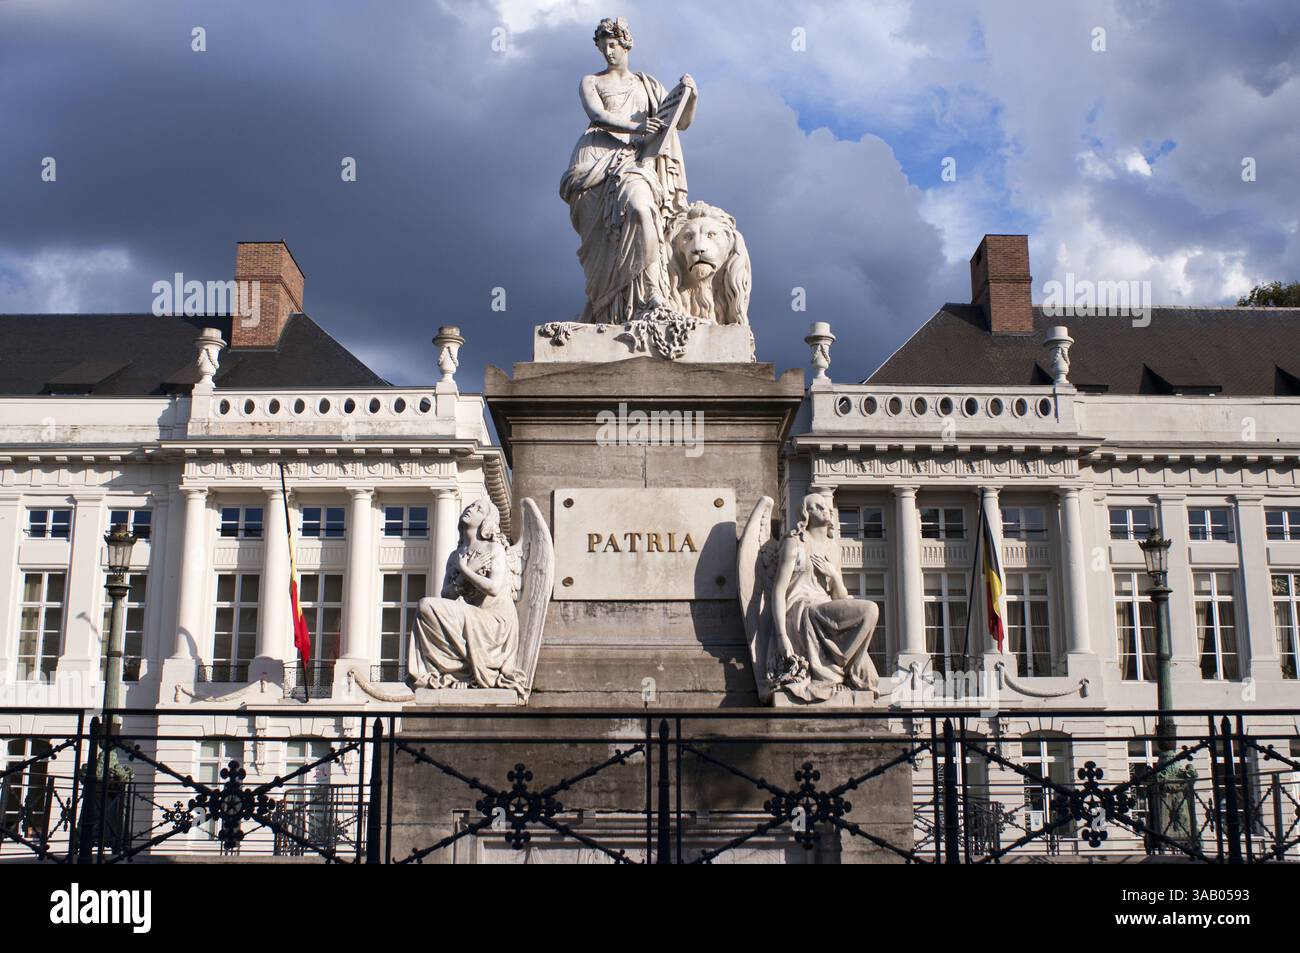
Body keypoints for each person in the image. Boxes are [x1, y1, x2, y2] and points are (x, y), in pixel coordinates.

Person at [559, 17, 697, 323]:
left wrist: (691, 96)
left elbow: (681, 124)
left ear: (626, 44)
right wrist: (637, 126)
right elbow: (597, 115)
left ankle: (653, 294)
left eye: (613, 45)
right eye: (603, 46)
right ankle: (606, 309)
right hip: (594, 160)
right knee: (603, 248)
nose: (608, 52)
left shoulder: (648, 85)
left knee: (641, 209)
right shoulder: (591, 81)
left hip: (635, 161)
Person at [769, 494, 880, 701]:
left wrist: (834, 575)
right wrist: (781, 635)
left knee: (870, 610)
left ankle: (844, 663)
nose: (826, 509)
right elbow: (778, 590)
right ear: (806, 513)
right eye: (817, 507)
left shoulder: (833, 548)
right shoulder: (795, 543)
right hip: (802, 608)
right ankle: (841, 667)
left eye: (827, 506)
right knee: (869, 609)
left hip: (826, 605)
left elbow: (840, 597)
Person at [408, 498, 525, 693]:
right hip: (472, 615)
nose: (471, 509)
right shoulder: (455, 555)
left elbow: (494, 588)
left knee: (429, 606)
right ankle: (458, 672)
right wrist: (465, 573)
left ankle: (464, 672)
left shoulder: (493, 549)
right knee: (425, 607)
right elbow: (446, 594)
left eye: (479, 509)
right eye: (471, 506)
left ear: (486, 521)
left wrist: (466, 570)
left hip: (496, 622)